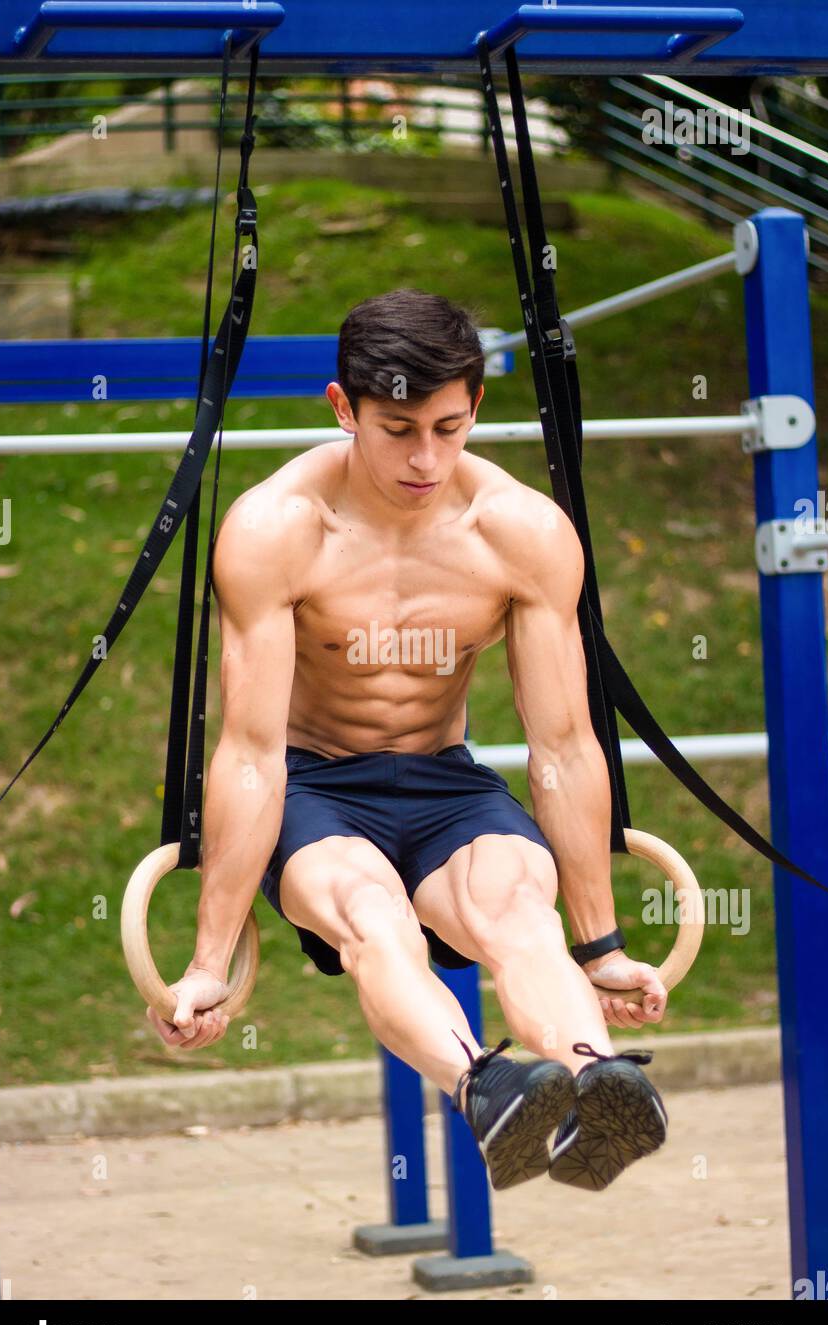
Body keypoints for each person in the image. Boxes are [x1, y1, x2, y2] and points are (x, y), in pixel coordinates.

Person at [146, 288, 669, 1193]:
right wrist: (207, 960)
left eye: (450, 426)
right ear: (343, 408)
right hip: (314, 786)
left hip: (444, 782)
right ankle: (488, 1088)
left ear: (474, 410)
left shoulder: (522, 534)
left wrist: (604, 943)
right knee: (375, 916)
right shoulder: (277, 531)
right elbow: (248, 752)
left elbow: (566, 745)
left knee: (516, 912)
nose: (427, 457)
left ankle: (596, 1079)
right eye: (398, 429)